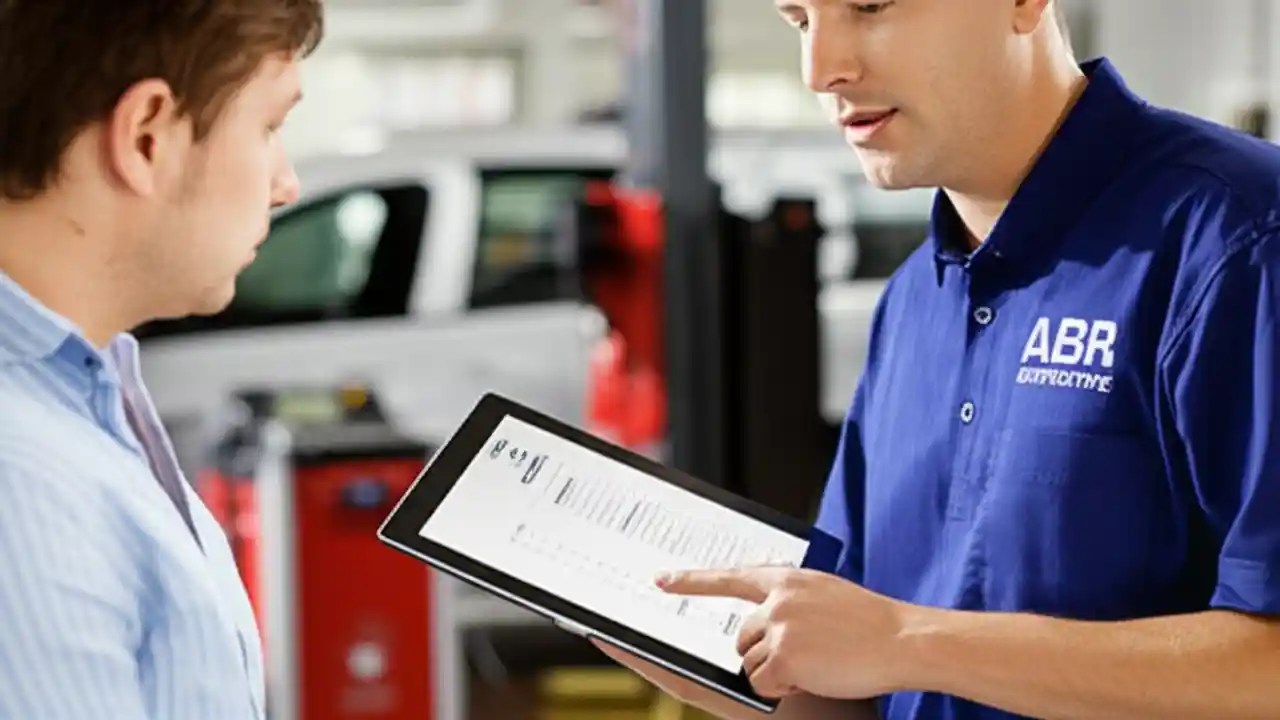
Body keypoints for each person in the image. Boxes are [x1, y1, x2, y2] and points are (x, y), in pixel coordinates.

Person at [599, 1, 1280, 718]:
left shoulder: (1241, 242)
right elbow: (861, 689)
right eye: (800, 20)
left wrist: (908, 641)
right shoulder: (912, 303)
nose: (821, 70)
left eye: (870, 6)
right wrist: (717, 668)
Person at [0, 2, 322, 718]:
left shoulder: (82, 390)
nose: (285, 183)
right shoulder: (22, 491)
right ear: (147, 136)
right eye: (268, 127)